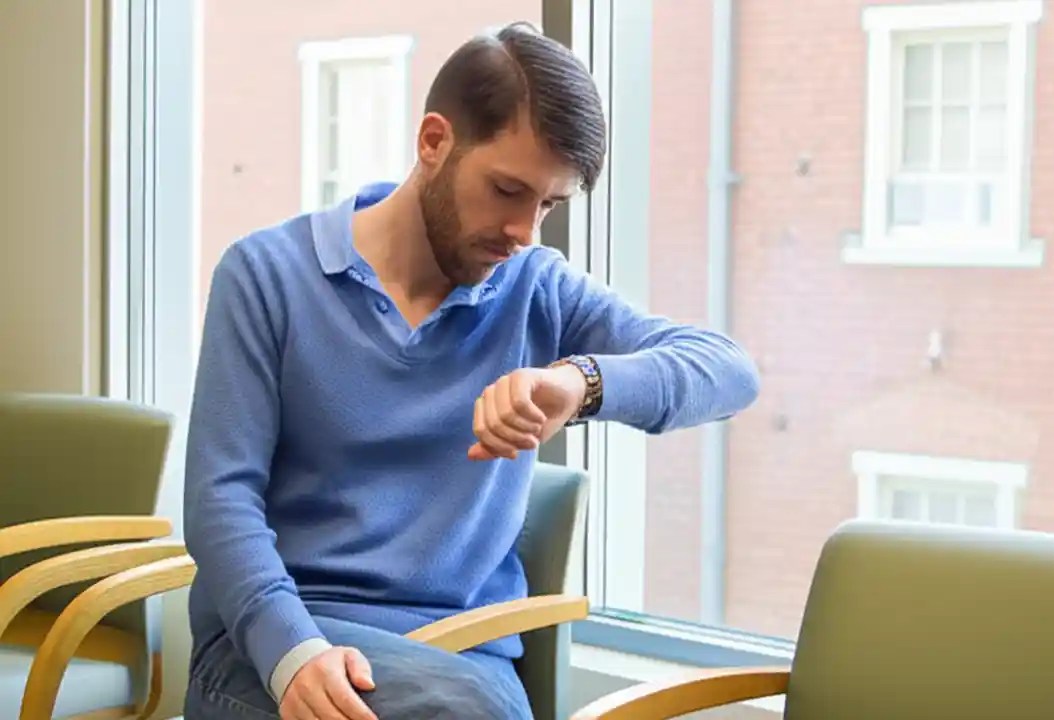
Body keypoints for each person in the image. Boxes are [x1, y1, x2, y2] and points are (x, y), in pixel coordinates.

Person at [182, 21, 759, 720]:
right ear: (434, 142)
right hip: (280, 651)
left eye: (548, 204)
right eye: (507, 189)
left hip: (462, 665)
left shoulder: (536, 289)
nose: (525, 232)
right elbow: (220, 503)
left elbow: (728, 371)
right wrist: (294, 653)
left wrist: (580, 383)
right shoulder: (266, 275)